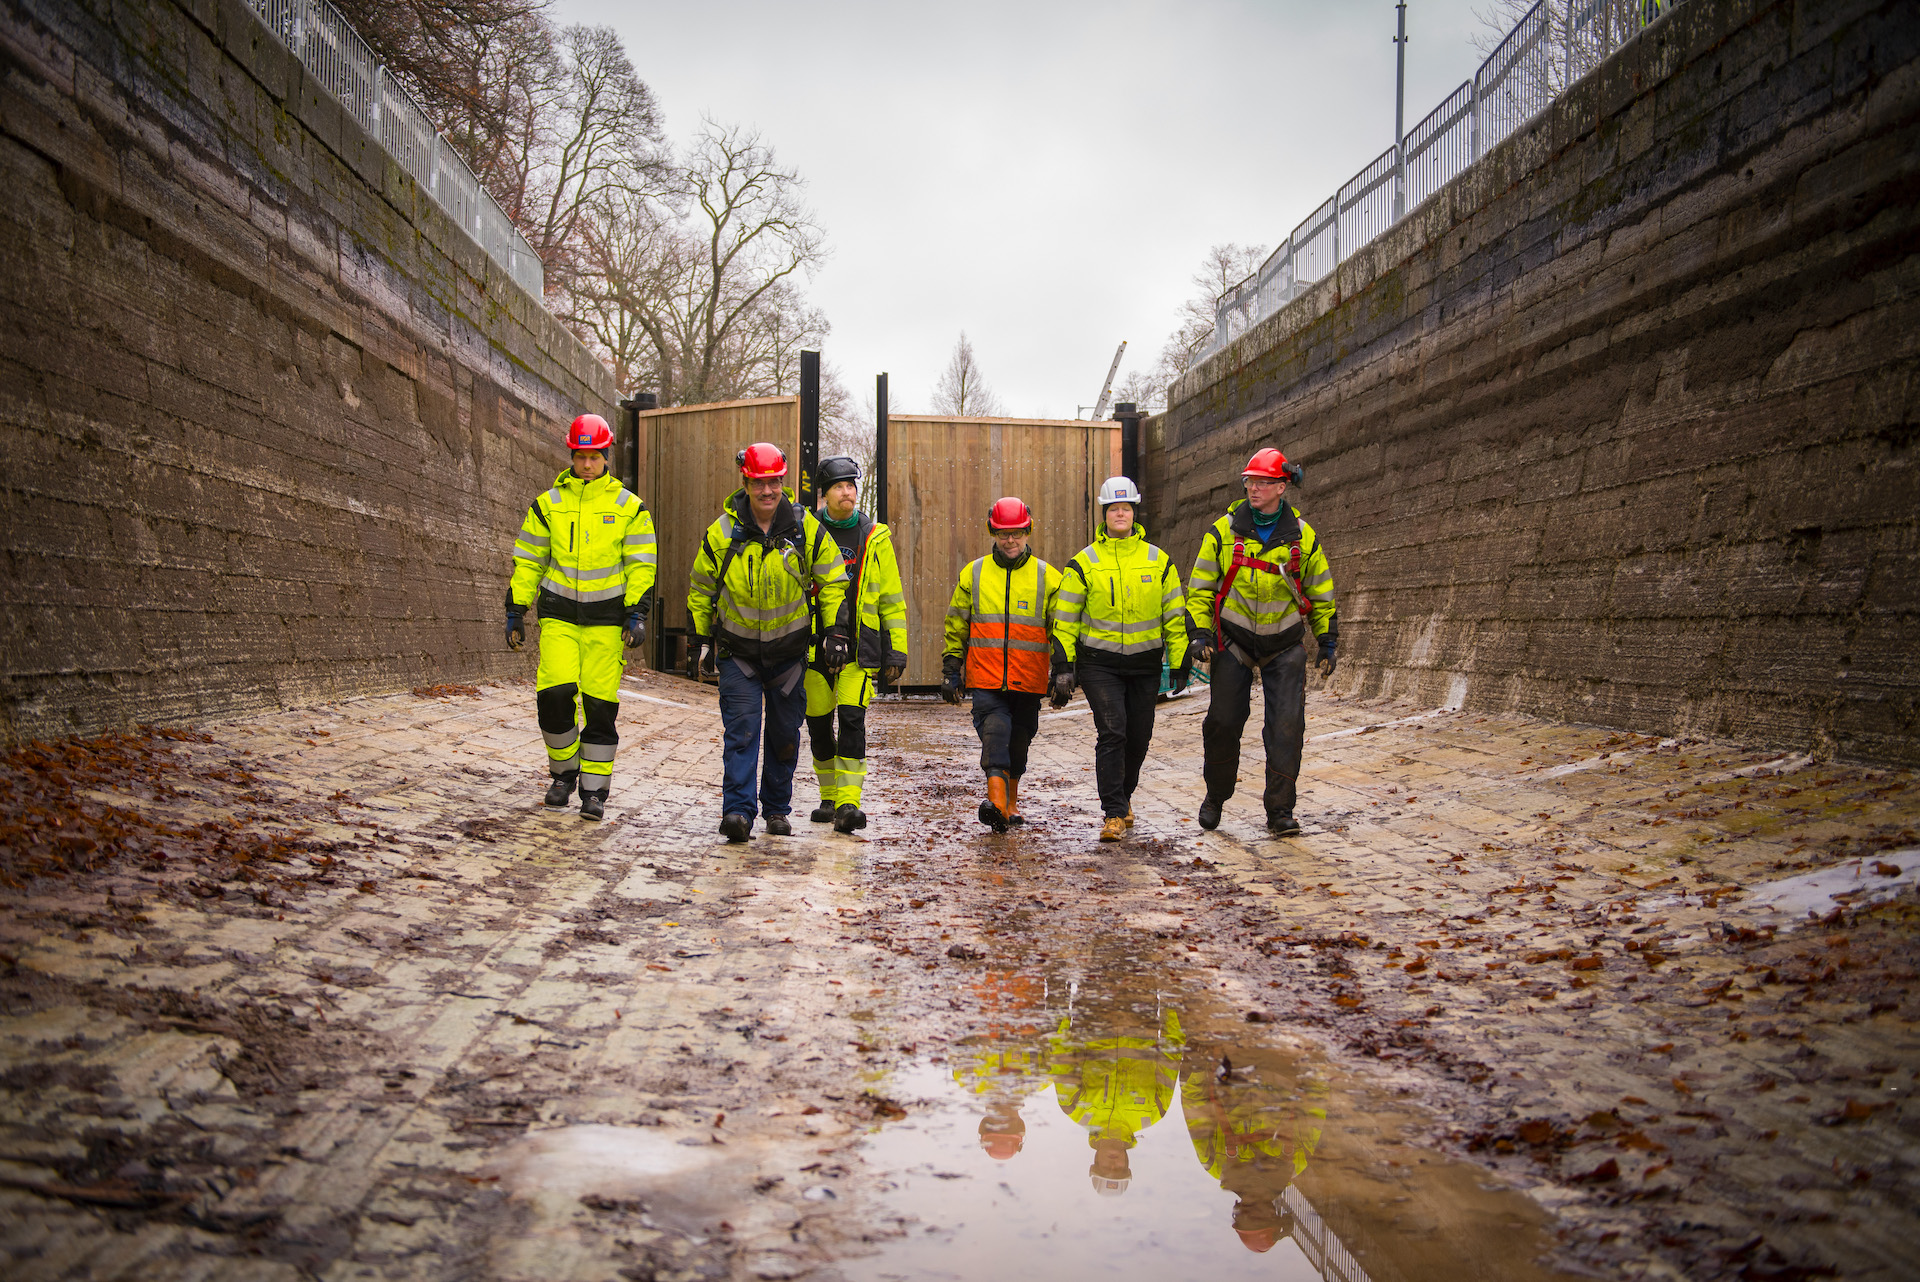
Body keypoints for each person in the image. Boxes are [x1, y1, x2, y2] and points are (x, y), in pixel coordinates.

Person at [687, 443, 848, 843]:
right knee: (741, 732)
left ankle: (777, 809)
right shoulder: (721, 532)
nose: (767, 491)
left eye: (774, 482)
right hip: (738, 654)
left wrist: (836, 631)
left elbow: (833, 581)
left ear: (783, 481)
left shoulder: (804, 528)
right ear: (746, 482)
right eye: (760, 483)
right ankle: (738, 812)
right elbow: (701, 589)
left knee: (783, 735)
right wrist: (700, 640)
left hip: (789, 656)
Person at [505, 414, 657, 822]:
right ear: (571, 455)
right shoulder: (548, 504)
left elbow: (641, 564)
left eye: (593, 456)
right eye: (580, 456)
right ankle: (563, 772)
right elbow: (529, 559)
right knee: (553, 697)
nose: (587, 464)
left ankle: (594, 791)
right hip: (558, 618)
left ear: (605, 456)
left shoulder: (629, 507)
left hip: (607, 624)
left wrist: (636, 613)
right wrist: (516, 609)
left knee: (599, 706)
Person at [1185, 448, 1338, 837]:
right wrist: (1200, 633)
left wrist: (1327, 637)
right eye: (1250, 481)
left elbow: (1320, 591)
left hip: (1285, 644)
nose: (1254, 488)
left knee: (1287, 727)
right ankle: (1216, 796)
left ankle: (1280, 811)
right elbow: (1200, 588)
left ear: (1282, 487)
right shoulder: (1222, 532)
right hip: (1233, 642)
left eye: (1263, 482)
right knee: (1223, 722)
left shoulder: (1303, 538)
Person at [1056, 477, 1190, 842]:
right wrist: (1064, 667)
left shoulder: (1158, 561)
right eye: (1114, 508)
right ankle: (1113, 812)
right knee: (1113, 731)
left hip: (1145, 664)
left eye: (1126, 508)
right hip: (1099, 665)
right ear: (1104, 514)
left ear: (1134, 513)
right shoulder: (1083, 563)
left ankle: (1125, 795)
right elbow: (1065, 620)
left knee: (1139, 736)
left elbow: (1174, 618)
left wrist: (1179, 662)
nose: (1120, 514)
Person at [941, 498, 1065, 834]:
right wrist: (952, 668)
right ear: (992, 532)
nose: (1010, 541)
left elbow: (1062, 628)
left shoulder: (1048, 578)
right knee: (995, 733)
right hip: (987, 676)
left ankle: (1010, 804)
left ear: (1028, 530)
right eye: (1003, 534)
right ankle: (995, 804)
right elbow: (957, 624)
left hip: (1029, 678)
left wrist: (1064, 668)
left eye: (1017, 533)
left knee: (1019, 741)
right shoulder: (975, 573)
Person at [805, 457, 908, 834]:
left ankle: (849, 802)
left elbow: (891, 598)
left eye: (851, 485)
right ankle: (828, 795)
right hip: (813, 644)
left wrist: (895, 650)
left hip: (858, 648)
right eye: (838, 486)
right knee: (818, 724)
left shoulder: (873, 536)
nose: (847, 492)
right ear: (825, 494)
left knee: (852, 720)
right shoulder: (807, 530)